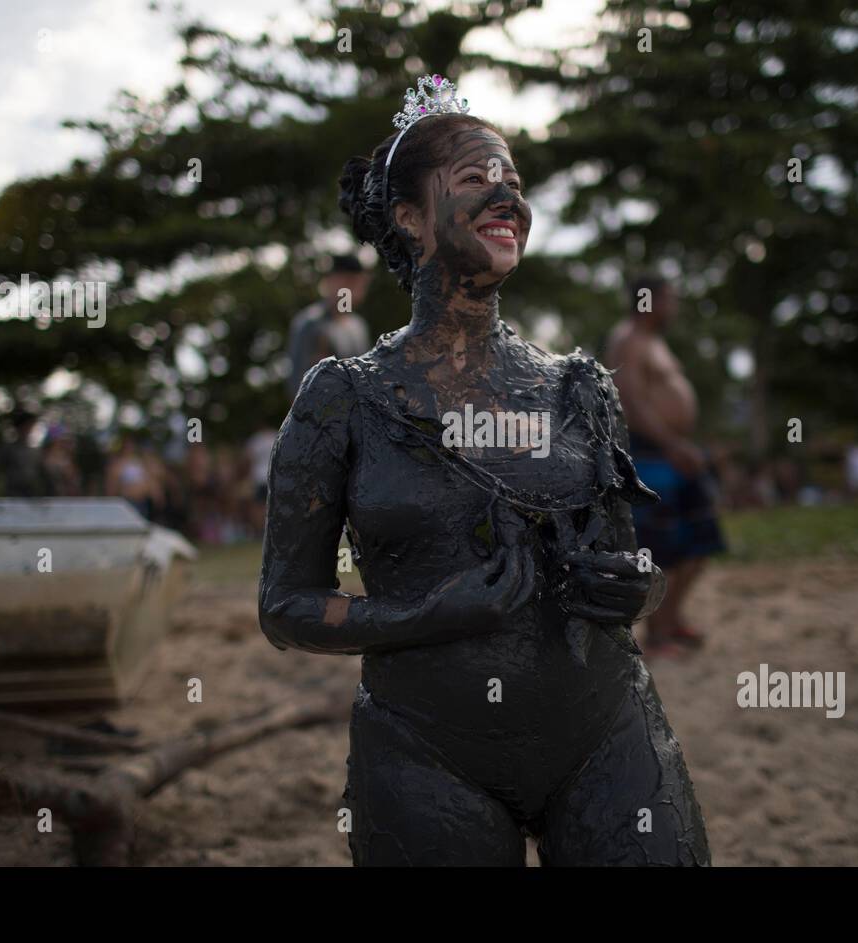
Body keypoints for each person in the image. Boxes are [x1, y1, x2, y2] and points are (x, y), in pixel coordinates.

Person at [259, 75, 709, 866]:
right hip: (427, 751)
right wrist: (426, 614)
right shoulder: (345, 398)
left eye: (514, 183)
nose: (505, 197)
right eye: (474, 179)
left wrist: (642, 588)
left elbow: (630, 560)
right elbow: (286, 606)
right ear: (410, 218)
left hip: (606, 731)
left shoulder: (580, 386)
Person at [605, 276, 725, 656]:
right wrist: (671, 444)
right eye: (669, 299)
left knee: (700, 536)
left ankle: (671, 620)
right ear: (647, 300)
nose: (674, 306)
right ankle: (657, 633)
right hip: (650, 454)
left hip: (674, 452)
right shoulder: (627, 339)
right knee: (661, 546)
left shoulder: (656, 343)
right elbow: (631, 403)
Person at [286, 254, 372, 399]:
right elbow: (297, 385)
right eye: (349, 282)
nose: (356, 289)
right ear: (331, 281)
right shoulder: (310, 323)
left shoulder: (357, 326)